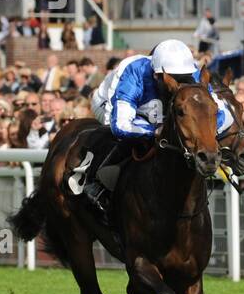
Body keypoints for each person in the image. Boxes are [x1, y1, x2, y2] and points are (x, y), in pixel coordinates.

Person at [74, 39, 233, 211]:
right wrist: (156, 132)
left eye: (182, 78)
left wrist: (204, 131)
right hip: (109, 103)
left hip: (154, 107)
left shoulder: (192, 73)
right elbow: (121, 125)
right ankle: (96, 182)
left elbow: (224, 114)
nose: (178, 83)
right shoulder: (134, 72)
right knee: (132, 136)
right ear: (156, 74)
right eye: (172, 78)